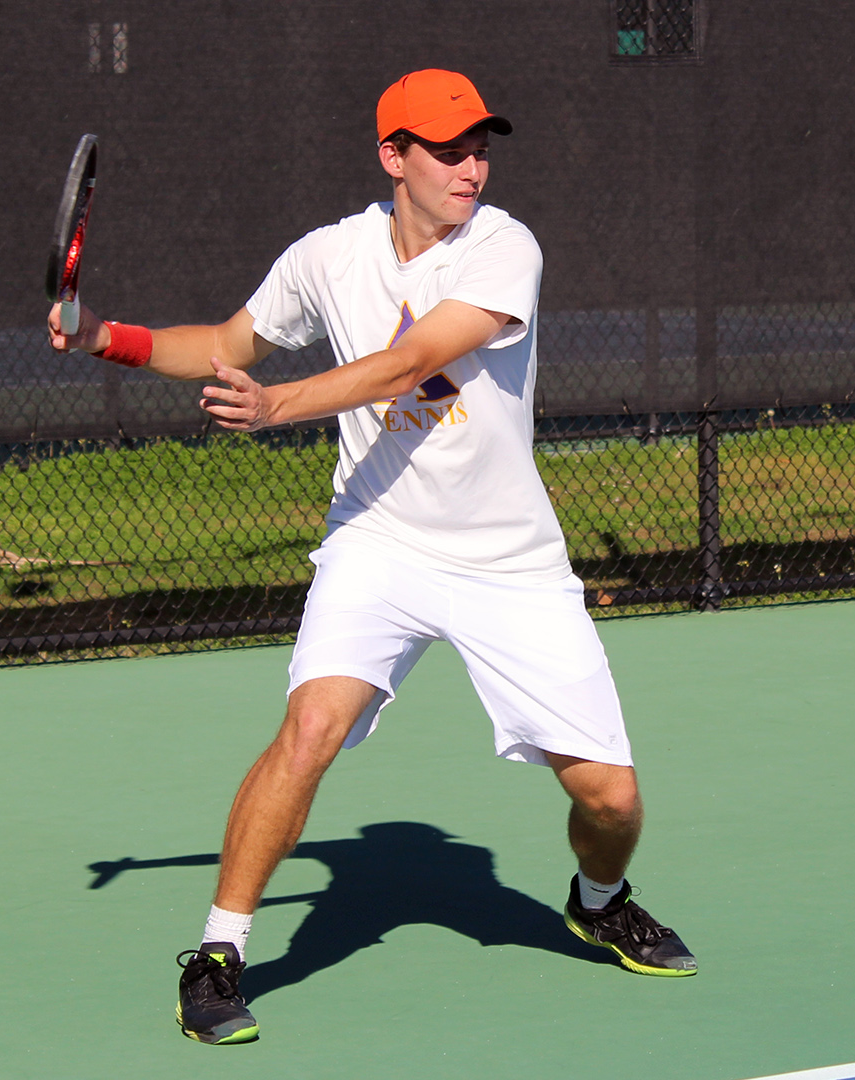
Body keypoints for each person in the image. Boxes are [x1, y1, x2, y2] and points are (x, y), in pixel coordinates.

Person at [49, 68, 695, 1046]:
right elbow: (228, 340)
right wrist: (103, 337)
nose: (472, 165)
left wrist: (275, 407)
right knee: (309, 729)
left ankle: (599, 900)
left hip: (507, 563)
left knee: (609, 797)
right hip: (378, 543)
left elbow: (405, 363)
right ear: (394, 157)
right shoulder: (328, 258)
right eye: (448, 148)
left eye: (481, 145)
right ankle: (219, 954)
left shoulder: (504, 248)